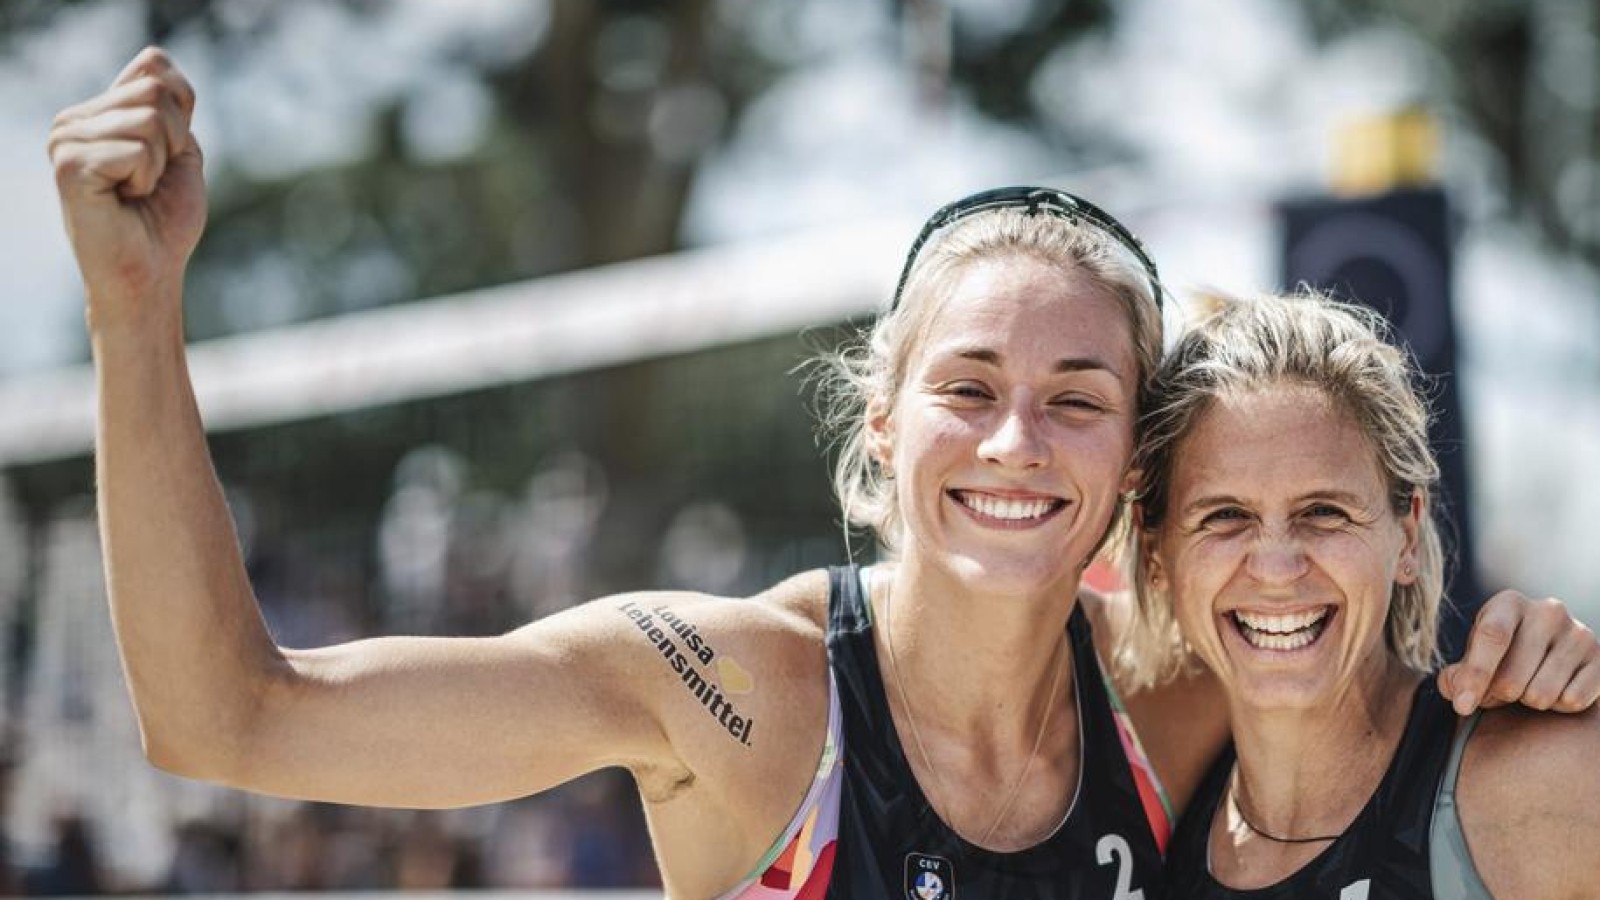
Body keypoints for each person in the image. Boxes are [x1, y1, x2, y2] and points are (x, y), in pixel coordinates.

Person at [47, 48, 1600, 899]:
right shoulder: (734, 692)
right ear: (881, 427)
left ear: (1129, 469)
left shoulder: (1181, 699)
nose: (1014, 442)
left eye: (1076, 400)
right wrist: (135, 313)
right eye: (969, 390)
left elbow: (1398, 695)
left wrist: (1531, 652)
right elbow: (226, 718)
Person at [1136, 293, 1600, 897]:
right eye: (1225, 515)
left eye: (1324, 512)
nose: (1277, 566)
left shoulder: (1541, 780)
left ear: (1406, 535)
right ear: (1157, 561)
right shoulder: (1157, 802)